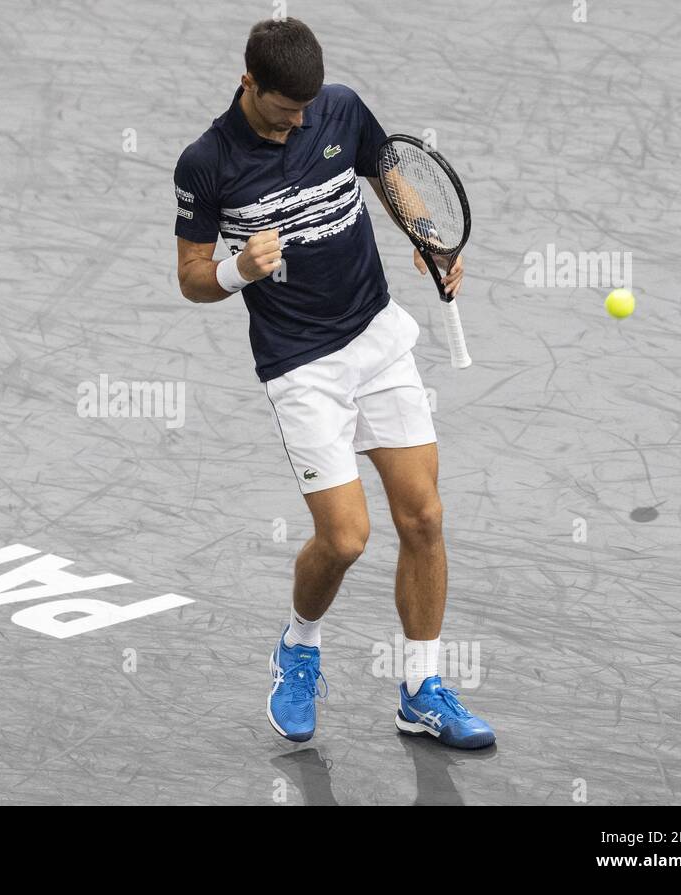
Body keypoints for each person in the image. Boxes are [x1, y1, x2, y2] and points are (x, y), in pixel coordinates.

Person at [172, 17, 495, 749]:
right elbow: (192, 277)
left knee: (424, 518)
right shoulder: (207, 163)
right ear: (249, 81)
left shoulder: (338, 108)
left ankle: (421, 690)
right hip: (301, 366)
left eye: (303, 115)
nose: (295, 126)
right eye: (284, 113)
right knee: (345, 538)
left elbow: (389, 175)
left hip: (377, 339)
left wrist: (428, 237)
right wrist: (238, 270)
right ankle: (300, 645)